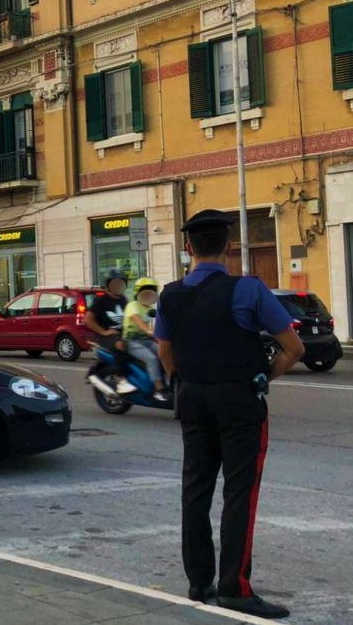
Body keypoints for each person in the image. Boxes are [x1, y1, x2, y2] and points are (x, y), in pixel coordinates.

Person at [156, 209, 304, 619]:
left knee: (195, 488)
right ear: (229, 248)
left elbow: (165, 353)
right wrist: (261, 377)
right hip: (239, 401)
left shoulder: (169, 295)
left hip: (192, 399)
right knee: (240, 493)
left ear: (189, 249)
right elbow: (294, 349)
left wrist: (185, 384)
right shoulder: (249, 290)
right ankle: (234, 587)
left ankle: (199, 582)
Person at [85, 272, 135, 394]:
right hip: (106, 336)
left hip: (122, 334)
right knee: (120, 345)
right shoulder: (101, 301)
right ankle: (121, 380)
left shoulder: (123, 299)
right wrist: (104, 331)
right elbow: (87, 319)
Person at [122, 277, 167, 401]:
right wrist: (149, 331)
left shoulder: (149, 309)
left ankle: (169, 382)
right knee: (151, 358)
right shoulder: (133, 306)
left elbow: (162, 320)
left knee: (165, 354)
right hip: (131, 342)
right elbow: (138, 321)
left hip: (146, 341)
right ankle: (159, 390)